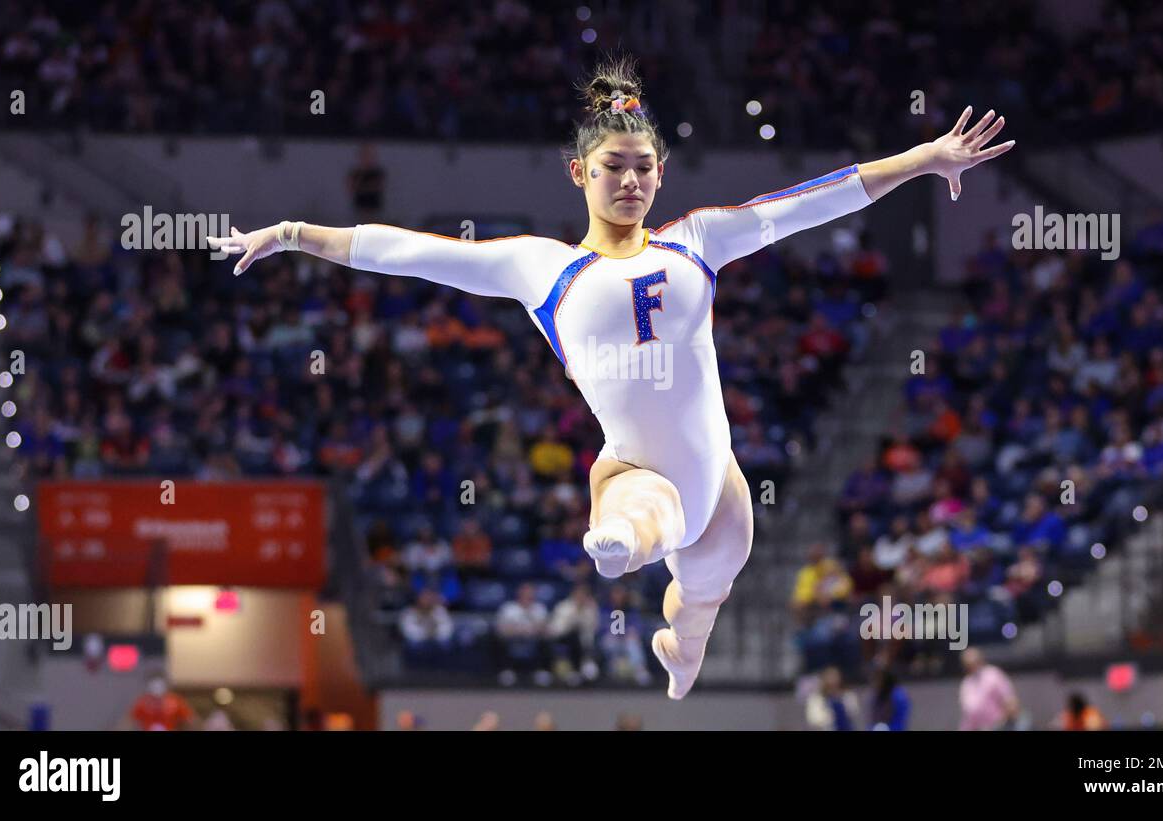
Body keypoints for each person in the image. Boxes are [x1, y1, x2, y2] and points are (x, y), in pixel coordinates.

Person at [209, 55, 1015, 699]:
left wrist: (925, 158)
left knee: (700, 608)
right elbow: (412, 251)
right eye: (612, 167)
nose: (629, 181)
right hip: (635, 469)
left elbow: (815, 201)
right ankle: (623, 543)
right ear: (579, 174)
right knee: (645, 514)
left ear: (660, 172)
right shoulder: (542, 269)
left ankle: (679, 646)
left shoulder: (699, 240)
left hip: (724, 489)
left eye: (642, 168)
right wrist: (291, 232)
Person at [959, 647, 1020, 730]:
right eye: (968, 664)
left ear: (980, 661)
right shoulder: (966, 683)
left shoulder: (993, 675)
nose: (971, 667)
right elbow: (968, 713)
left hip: (998, 727)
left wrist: (1004, 724)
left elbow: (1010, 700)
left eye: (973, 662)